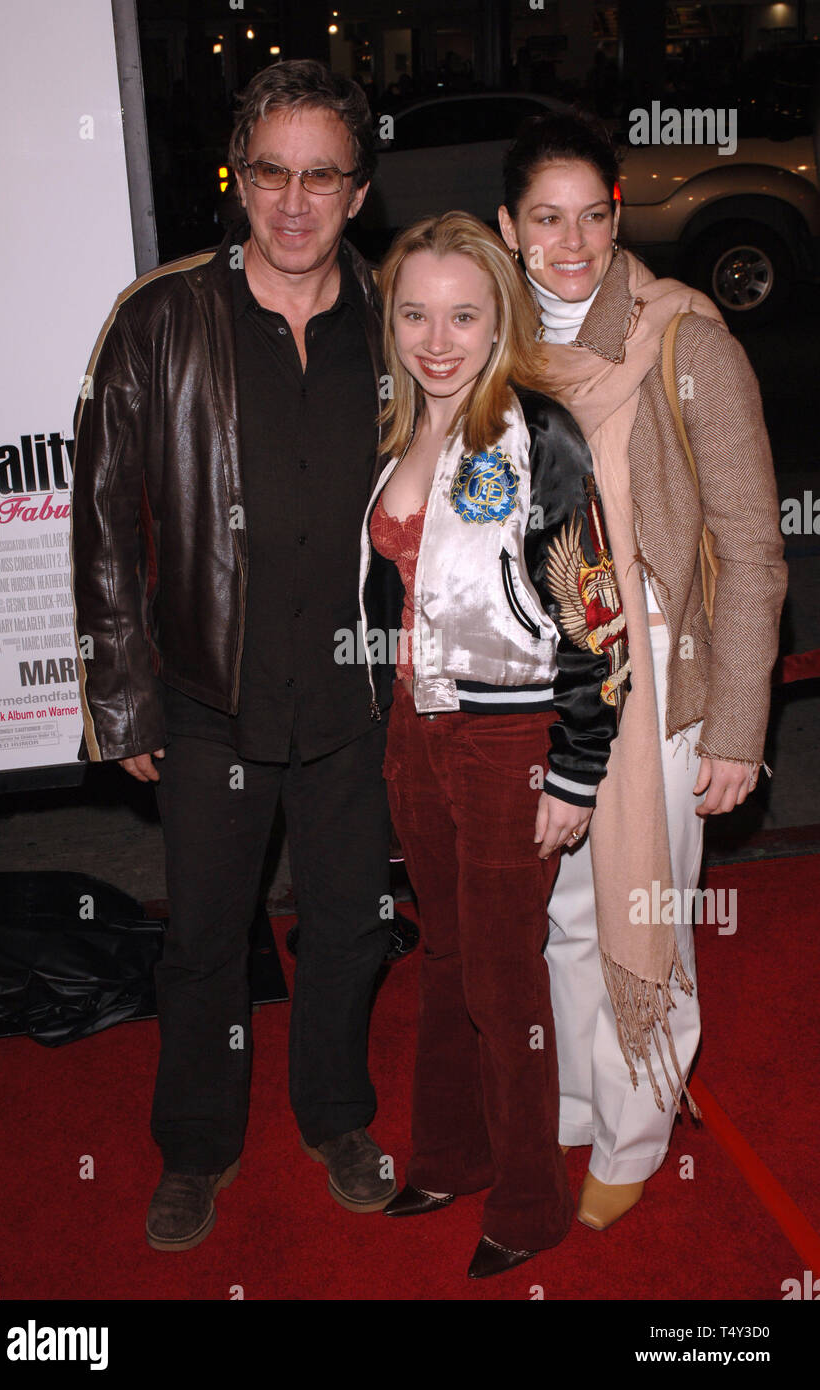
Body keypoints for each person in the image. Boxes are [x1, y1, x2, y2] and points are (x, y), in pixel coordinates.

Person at [70, 59, 403, 1252]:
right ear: (237, 175)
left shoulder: (397, 315)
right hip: (208, 696)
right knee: (205, 942)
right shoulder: (161, 317)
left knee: (351, 924)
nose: (295, 202)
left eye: (322, 176)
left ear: (358, 191)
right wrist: (125, 699)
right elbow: (103, 517)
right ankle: (197, 1147)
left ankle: (335, 1118)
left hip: (359, 695)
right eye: (272, 172)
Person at [497, 111, 787, 1230]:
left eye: (592, 214)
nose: (571, 241)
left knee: (643, 898)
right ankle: (579, 1096)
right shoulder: (489, 346)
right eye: (545, 218)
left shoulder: (683, 337)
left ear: (618, 212)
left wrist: (736, 727)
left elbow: (751, 545)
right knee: (564, 907)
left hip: (659, 678)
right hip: (539, 673)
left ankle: (636, 1124)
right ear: (510, 230)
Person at [362, 211, 627, 1277]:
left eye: (463, 314)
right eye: (416, 313)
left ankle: (529, 1199)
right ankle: (449, 1151)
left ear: (497, 316)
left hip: (508, 734)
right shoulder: (393, 424)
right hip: (412, 728)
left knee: (503, 980)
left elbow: (592, 613)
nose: (438, 337)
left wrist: (575, 763)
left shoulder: (537, 431)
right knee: (446, 955)